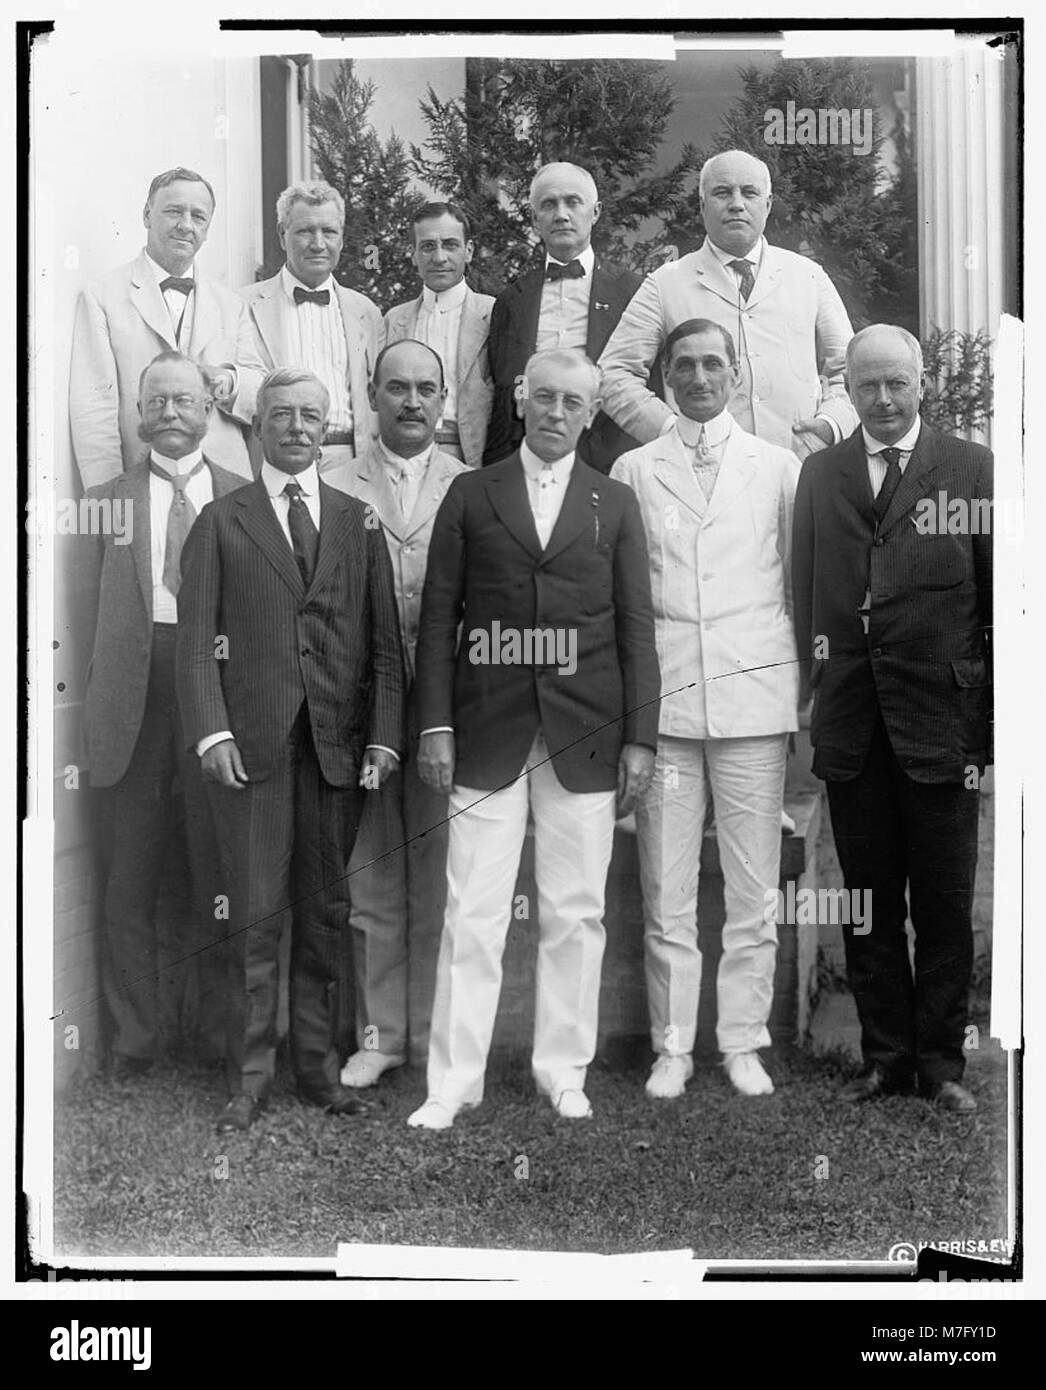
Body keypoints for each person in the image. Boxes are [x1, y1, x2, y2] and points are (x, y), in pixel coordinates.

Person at [408, 347, 660, 1130]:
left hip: (586, 731)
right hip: (485, 728)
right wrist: (436, 723)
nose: (556, 413)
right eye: (544, 397)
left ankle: (563, 1070)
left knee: (575, 912)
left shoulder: (612, 503)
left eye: (572, 403)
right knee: (471, 912)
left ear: (591, 415)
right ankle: (452, 1083)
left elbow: (636, 628)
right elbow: (437, 616)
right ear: (521, 398)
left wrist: (640, 740)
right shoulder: (471, 493)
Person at [176, 367, 405, 1132]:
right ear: (258, 426)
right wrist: (211, 730)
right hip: (254, 752)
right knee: (256, 916)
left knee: (326, 912)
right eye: (282, 415)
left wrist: (382, 738)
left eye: (312, 415)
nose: (298, 427)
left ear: (330, 425)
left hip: (337, 750)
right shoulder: (222, 520)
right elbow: (193, 645)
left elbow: (383, 649)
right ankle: (248, 1076)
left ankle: (316, 1069)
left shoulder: (357, 521)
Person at [792, 324, 992, 1113]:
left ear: (921, 385)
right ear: (848, 390)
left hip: (943, 719)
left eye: (895, 383)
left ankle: (941, 1067)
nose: (882, 398)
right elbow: (804, 590)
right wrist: (816, 690)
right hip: (852, 717)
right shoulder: (821, 474)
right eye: (866, 384)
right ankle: (885, 1057)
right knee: (866, 899)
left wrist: (993, 727)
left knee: (943, 902)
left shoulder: (972, 471)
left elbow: (998, 601)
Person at [612, 319, 801, 1099]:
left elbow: (795, 577)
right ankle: (672, 1046)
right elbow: (624, 595)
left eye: (712, 364)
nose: (697, 377)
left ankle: (744, 1041)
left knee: (754, 886)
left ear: (735, 376)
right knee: (667, 887)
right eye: (682, 365)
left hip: (753, 698)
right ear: (663, 379)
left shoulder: (777, 467)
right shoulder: (631, 467)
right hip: (667, 703)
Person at [84, 350, 247, 1075]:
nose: (172, 413)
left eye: (186, 401)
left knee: (219, 873)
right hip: (135, 705)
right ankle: (135, 1040)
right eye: (158, 402)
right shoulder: (105, 502)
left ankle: (221, 1037)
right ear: (139, 416)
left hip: (215, 694)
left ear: (210, 412)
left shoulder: (245, 497)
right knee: (131, 878)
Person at [341, 340, 469, 1087]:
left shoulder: (473, 485)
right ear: (373, 394)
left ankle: (435, 1038)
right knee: (372, 883)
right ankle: (381, 1035)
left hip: (444, 715)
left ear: (445, 398)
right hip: (360, 716)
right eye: (397, 388)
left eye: (426, 388)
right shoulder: (334, 482)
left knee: (445, 881)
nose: (412, 401)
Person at [598, 149, 858, 461]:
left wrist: (830, 425)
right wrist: (670, 432)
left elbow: (851, 369)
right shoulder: (665, 283)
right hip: (702, 470)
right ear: (702, 205)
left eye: (749, 192)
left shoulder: (808, 276)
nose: (737, 203)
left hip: (800, 467)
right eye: (722, 192)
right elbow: (613, 374)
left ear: (768, 204)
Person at [70, 167, 265, 488]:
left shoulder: (232, 304)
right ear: (147, 215)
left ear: (207, 229)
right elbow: (94, 410)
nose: (186, 225)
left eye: (198, 217)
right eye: (174, 211)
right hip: (144, 482)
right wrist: (107, 496)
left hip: (226, 488)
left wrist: (228, 381)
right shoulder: (102, 296)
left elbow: (260, 392)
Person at [484, 162, 653, 471]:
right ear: (535, 219)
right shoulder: (511, 301)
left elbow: (646, 384)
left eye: (573, 202)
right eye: (549, 205)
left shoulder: (634, 292)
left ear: (596, 212)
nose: (561, 214)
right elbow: (503, 395)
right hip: (529, 463)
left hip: (612, 462)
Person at [239, 181, 382, 492]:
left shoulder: (366, 312)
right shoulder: (243, 307)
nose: (318, 243)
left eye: (329, 232)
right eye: (305, 231)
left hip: (349, 462)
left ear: (342, 239)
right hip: (275, 460)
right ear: (282, 235)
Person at [382, 202, 495, 468]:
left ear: (468, 251)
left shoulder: (493, 314)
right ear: (414, 254)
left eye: (450, 245)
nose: (440, 257)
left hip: (470, 457)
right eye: (428, 246)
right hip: (405, 456)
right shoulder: (393, 320)